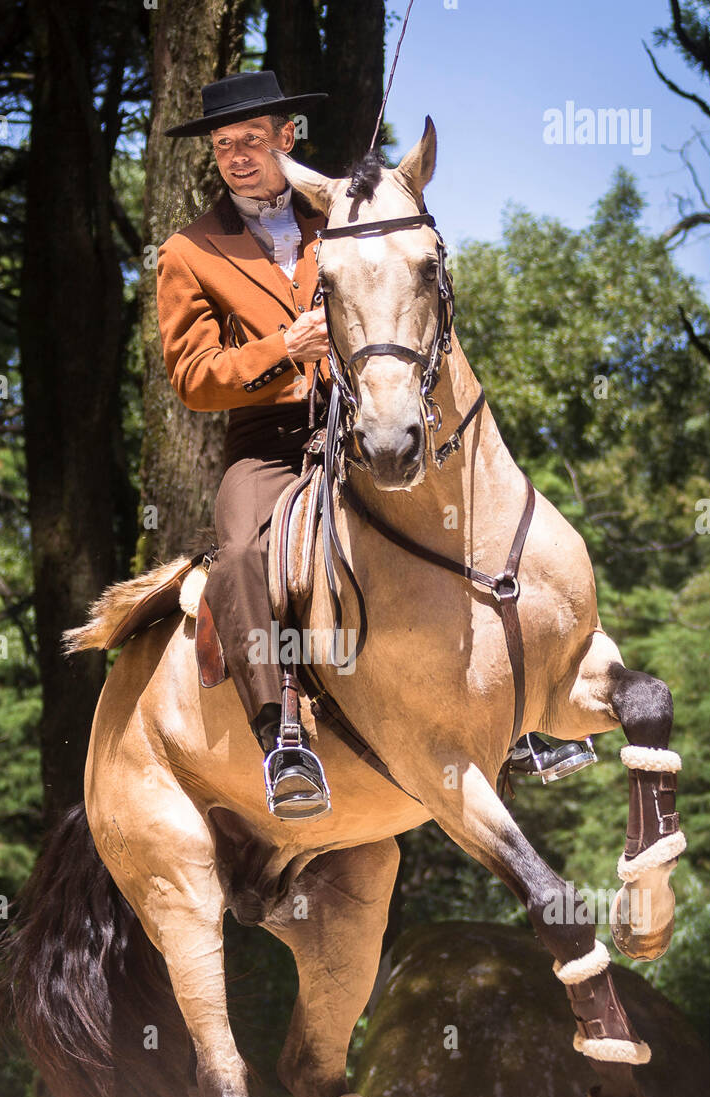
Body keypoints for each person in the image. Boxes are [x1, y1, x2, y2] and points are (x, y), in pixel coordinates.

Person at [157, 71, 593, 819]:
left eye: (251, 141)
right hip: (269, 441)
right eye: (223, 145)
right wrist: (280, 348)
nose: (236, 156)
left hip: (370, 419)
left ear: (286, 140)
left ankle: (520, 719)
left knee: (465, 525)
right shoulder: (188, 251)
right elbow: (193, 378)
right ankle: (282, 738)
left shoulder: (347, 213)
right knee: (239, 559)